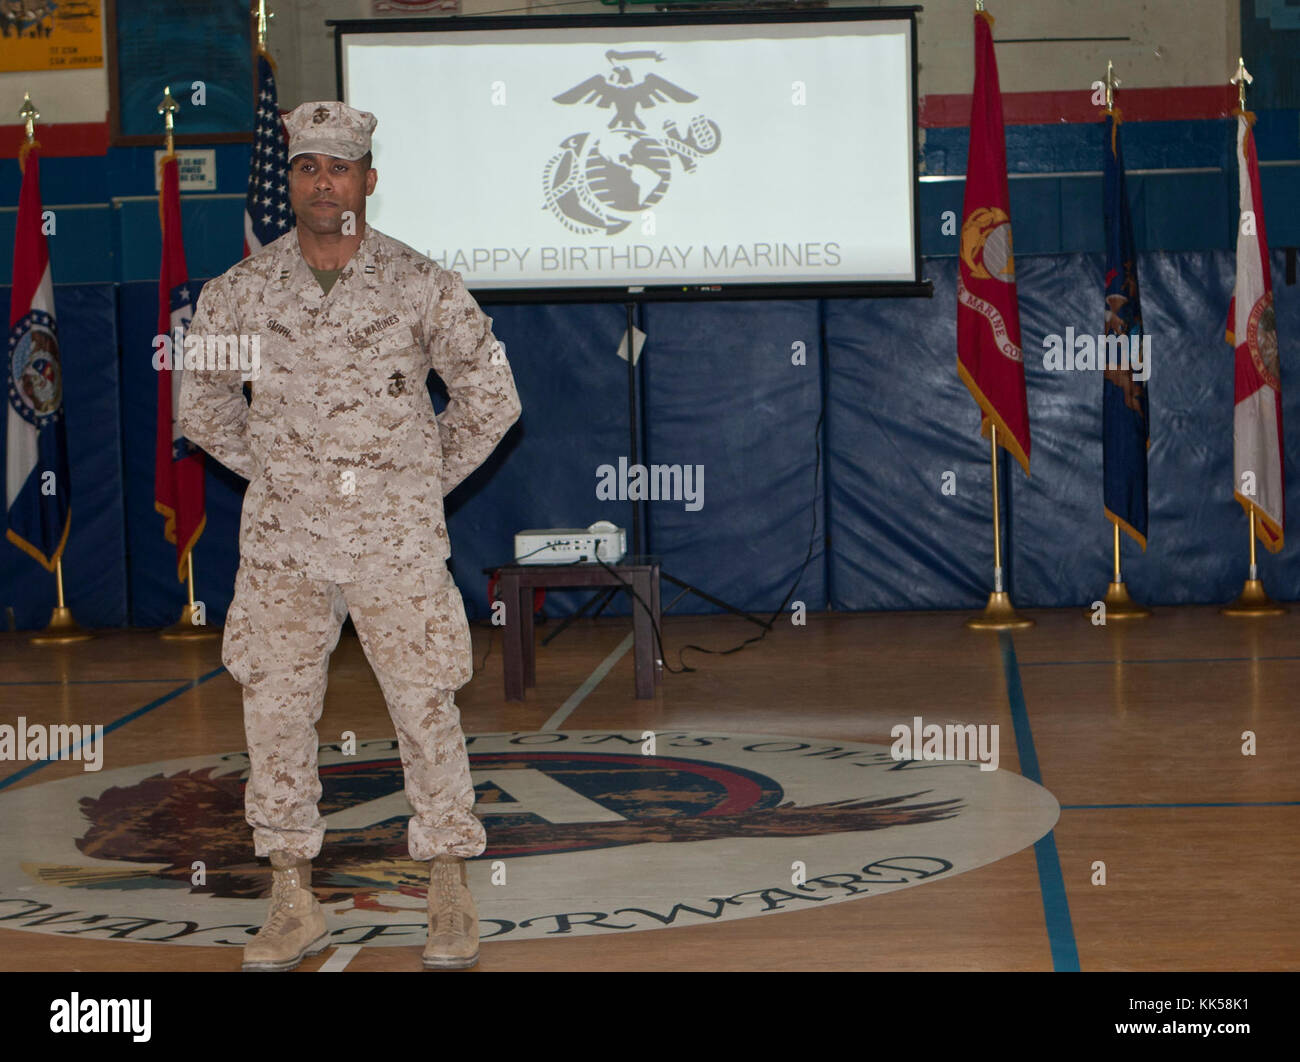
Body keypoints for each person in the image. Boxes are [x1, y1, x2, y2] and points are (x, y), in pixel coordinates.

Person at [178, 100, 521, 972]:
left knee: (425, 708)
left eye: (339, 166)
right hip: (286, 548)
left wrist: (414, 482)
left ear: (368, 180)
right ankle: (293, 901)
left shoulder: (422, 284)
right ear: (291, 180)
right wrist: (278, 471)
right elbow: (201, 405)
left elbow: (491, 400)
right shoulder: (240, 293)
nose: (322, 180)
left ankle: (447, 888)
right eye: (307, 166)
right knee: (275, 718)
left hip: (395, 546)